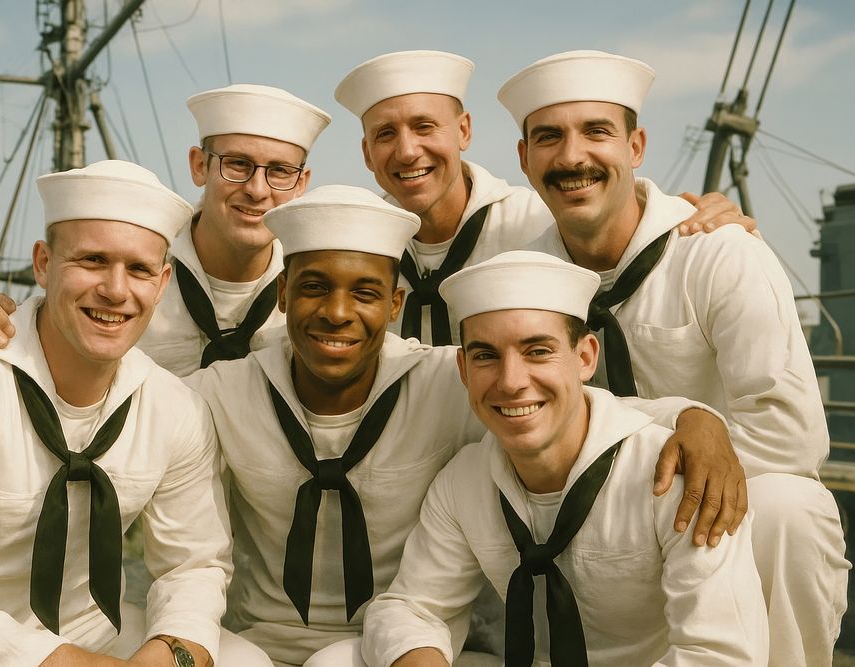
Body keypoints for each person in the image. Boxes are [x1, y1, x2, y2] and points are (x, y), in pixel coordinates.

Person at [187, 185, 730, 667]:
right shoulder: (222, 391)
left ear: (396, 304)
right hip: (259, 639)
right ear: (282, 296)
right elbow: (144, 406)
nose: (336, 312)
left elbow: (575, 404)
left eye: (366, 293)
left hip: (374, 649)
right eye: (313, 287)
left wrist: (696, 418)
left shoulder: (447, 378)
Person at [497, 49, 849, 665]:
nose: (573, 156)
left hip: (706, 497)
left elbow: (793, 434)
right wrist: (681, 419)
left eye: (597, 132)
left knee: (793, 509)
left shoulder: (716, 253)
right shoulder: (526, 278)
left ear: (637, 145)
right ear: (524, 159)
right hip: (592, 497)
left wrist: (689, 452)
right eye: (548, 137)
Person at [0, 161, 269, 666]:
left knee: (243, 660)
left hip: (95, 635)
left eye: (139, 269)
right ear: (44, 264)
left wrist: (170, 655)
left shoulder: (173, 408)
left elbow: (193, 565)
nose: (116, 290)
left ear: (162, 284)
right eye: (93, 260)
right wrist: (62, 661)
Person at [361, 251, 769, 666]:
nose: (511, 381)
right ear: (463, 369)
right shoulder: (464, 481)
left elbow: (719, 654)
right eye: (486, 355)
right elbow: (411, 607)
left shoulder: (672, 475)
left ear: (586, 357)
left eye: (538, 351)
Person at [334, 50, 753, 347]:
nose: (407, 151)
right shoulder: (352, 244)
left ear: (463, 131)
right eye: (385, 134)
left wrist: (708, 222)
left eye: (425, 127)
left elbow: (618, 210)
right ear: (367, 153)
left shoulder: (544, 223)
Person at [0, 84, 331, 379]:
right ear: (198, 166)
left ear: (301, 182)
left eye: (280, 171)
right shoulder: (130, 276)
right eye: (237, 164)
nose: (257, 189)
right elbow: (51, 330)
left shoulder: (321, 291)